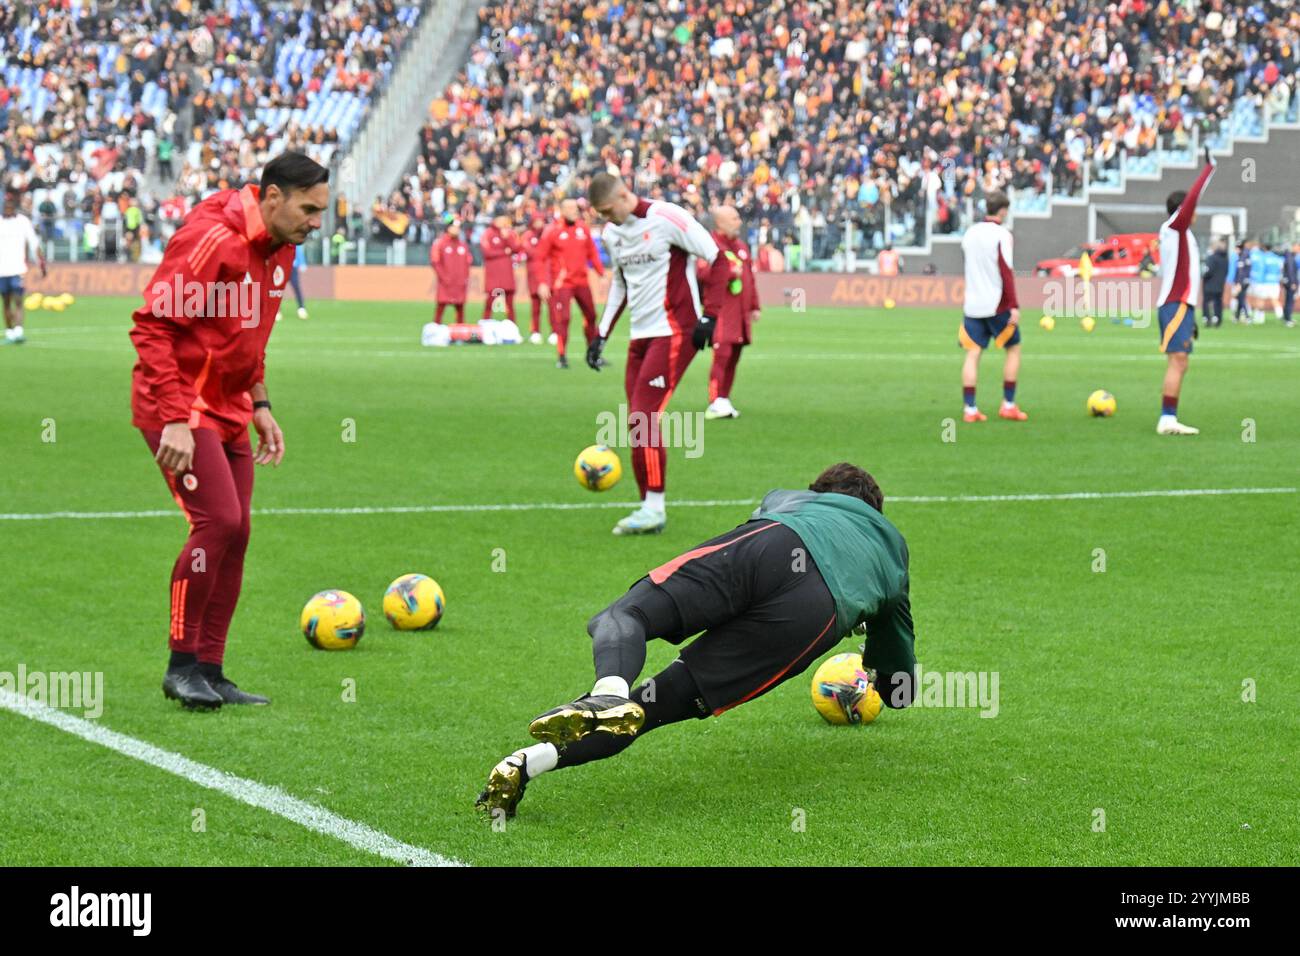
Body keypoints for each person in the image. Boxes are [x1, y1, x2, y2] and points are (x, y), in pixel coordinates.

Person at [475, 462, 917, 819]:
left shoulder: (792, 498)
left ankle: (607, 692)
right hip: (815, 614)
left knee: (627, 614)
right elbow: (898, 689)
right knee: (652, 707)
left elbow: (770, 511)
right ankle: (526, 762)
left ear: (821, 491)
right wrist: (866, 624)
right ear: (876, 512)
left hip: (769, 545)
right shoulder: (892, 552)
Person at [129, 151, 329, 709]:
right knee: (216, 521)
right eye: (309, 209)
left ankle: (211, 670)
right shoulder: (212, 237)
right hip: (179, 405)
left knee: (237, 531)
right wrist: (173, 416)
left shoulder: (281, 249)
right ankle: (180, 665)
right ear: (272, 197)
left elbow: (249, 339)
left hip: (229, 405)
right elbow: (151, 326)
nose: (317, 222)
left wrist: (260, 403)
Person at [584, 172, 731, 535]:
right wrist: (601, 334)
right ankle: (648, 504)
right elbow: (620, 283)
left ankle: (654, 508)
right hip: (641, 336)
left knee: (644, 416)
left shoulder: (668, 217)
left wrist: (710, 316)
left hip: (676, 331)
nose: (606, 219)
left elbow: (719, 260)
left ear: (622, 195)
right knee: (638, 420)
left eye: (607, 210)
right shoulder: (612, 234)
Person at [1153, 148, 1215, 436]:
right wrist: (1208, 170)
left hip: (1181, 305)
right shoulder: (1174, 228)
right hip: (1175, 303)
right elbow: (1191, 202)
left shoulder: (1180, 234)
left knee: (1181, 362)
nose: (1196, 214)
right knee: (1178, 361)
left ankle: (1169, 417)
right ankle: (1167, 419)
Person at [957, 191, 1028, 423]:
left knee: (973, 353)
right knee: (1013, 349)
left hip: (972, 304)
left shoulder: (970, 233)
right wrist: (1014, 305)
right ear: (1003, 210)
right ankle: (1008, 404)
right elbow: (1006, 271)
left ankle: (970, 409)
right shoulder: (1002, 235)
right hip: (997, 304)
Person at [699, 205, 759, 420]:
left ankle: (724, 398)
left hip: (740, 312)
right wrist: (727, 273)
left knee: (734, 356)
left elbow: (750, 278)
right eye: (734, 218)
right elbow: (701, 272)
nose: (739, 222)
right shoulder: (710, 246)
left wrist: (754, 305)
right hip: (722, 311)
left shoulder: (741, 247)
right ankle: (714, 402)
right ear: (720, 223)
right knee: (722, 356)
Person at [536, 198, 604, 368]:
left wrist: (600, 272)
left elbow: (592, 252)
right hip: (562, 284)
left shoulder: (583, 229)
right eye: (571, 208)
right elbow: (540, 258)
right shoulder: (552, 231)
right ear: (561, 210)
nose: (575, 211)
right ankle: (561, 355)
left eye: (576, 208)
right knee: (563, 319)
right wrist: (542, 282)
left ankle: (592, 352)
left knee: (591, 316)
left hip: (582, 281)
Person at [0, 189, 48, 345]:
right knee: (6, 302)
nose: (7, 209)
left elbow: (34, 244)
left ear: (14, 207)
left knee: (18, 300)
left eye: (9, 206)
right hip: (1, 269)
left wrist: (41, 264)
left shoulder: (23, 221)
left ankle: (19, 331)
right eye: (5, 206)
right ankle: (10, 332)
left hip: (17, 268)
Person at [479, 210, 521, 324]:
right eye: (501, 220)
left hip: (507, 273)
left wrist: (507, 238)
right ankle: (485, 323)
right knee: (490, 301)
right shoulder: (487, 234)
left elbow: (517, 248)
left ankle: (512, 326)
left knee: (510, 302)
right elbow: (487, 253)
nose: (503, 223)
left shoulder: (510, 234)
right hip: (493, 274)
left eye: (505, 220)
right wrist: (505, 252)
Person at [430, 219, 470, 323]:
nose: (457, 230)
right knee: (441, 305)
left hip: (459, 282)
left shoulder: (463, 246)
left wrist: (465, 278)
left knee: (460, 307)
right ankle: (436, 328)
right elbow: (435, 262)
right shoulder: (440, 244)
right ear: (448, 228)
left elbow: (468, 262)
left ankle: (460, 331)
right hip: (446, 282)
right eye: (454, 227)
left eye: (458, 228)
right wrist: (443, 277)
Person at [521, 216, 548, 343]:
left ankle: (554, 331)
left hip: (547, 273)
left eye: (541, 221)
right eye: (537, 221)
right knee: (535, 305)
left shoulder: (547, 234)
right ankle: (535, 331)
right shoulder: (527, 235)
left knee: (552, 305)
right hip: (533, 274)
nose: (539, 223)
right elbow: (530, 252)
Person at [1201, 239, 1228, 329]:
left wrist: (1204, 276)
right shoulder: (1225, 259)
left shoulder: (1212, 258)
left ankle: (1207, 318)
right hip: (1220, 284)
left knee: (1206, 301)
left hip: (1210, 284)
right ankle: (1217, 318)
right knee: (1218, 302)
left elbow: (1208, 271)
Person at [288, 242, 308, 320]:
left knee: (296, 286)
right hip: (282, 265)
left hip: (293, 266)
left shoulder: (293, 238)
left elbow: (298, 250)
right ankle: (277, 310)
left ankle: (301, 308)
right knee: (277, 289)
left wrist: (302, 263)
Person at [1283, 241, 1299, 328]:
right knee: (1290, 300)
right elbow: (1290, 271)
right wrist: (1293, 282)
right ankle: (1288, 319)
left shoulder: (1290, 256)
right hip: (1290, 282)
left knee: (1288, 300)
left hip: (1288, 281)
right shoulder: (1290, 257)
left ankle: (1286, 317)